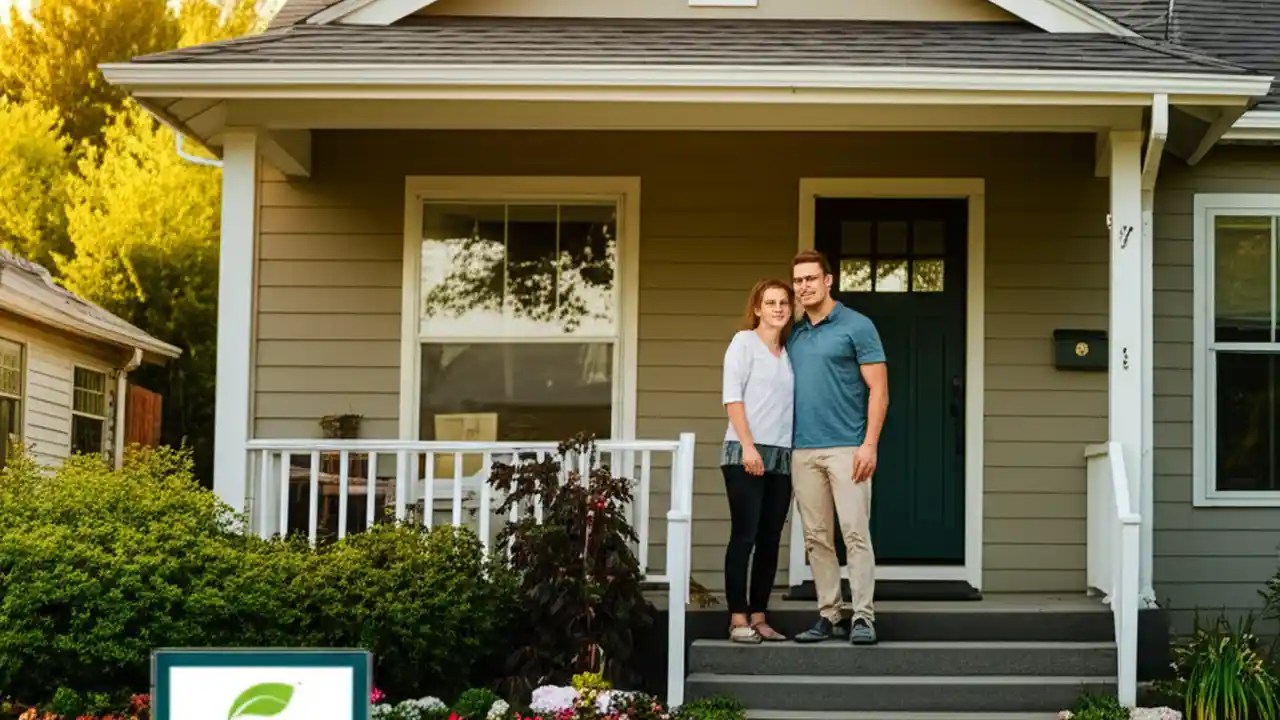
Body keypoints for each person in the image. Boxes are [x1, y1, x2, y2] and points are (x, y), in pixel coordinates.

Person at [786, 249, 888, 646]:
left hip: (848, 448)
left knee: (855, 534)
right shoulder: (795, 332)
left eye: (811, 278)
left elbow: (879, 390)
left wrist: (869, 445)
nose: (804, 286)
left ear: (829, 281)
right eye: (798, 281)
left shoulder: (857, 326)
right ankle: (830, 615)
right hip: (803, 450)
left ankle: (863, 615)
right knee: (816, 538)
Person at [719, 278, 796, 644]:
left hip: (781, 457)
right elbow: (733, 398)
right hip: (744, 452)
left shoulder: (788, 352)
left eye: (784, 302)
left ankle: (760, 616)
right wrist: (748, 447)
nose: (778, 308)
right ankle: (738, 619)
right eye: (771, 302)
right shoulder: (743, 343)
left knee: (770, 540)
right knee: (745, 536)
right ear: (757, 308)